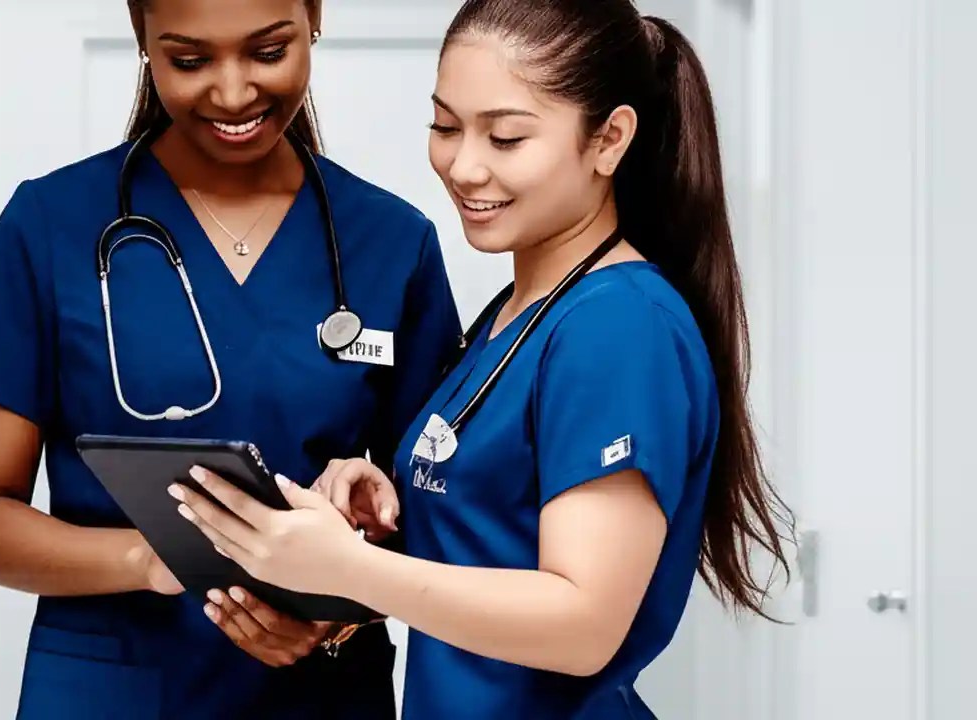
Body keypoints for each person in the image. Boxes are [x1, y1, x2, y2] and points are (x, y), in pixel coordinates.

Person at [171, 0, 795, 718]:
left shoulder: (618, 324)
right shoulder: (516, 316)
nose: (464, 167)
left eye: (506, 138)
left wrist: (350, 568)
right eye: (445, 127)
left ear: (609, 140)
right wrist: (388, 515)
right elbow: (497, 542)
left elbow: (583, 625)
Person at [0, 0, 461, 717]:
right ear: (142, 38)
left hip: (319, 692)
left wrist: (339, 613)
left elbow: (437, 515)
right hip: (111, 688)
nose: (232, 93)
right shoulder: (50, 224)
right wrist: (150, 559)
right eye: (190, 60)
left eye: (268, 52)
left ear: (314, 18)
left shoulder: (392, 240)